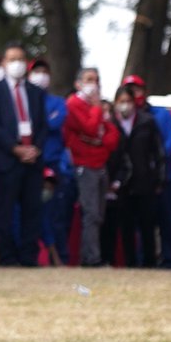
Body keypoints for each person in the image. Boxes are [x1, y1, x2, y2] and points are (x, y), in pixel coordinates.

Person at [0, 44, 48, 266]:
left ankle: (29, 258)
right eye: (12, 59)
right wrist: (15, 148)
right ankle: (7, 258)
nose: (17, 63)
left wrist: (35, 148)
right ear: (4, 63)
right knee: (5, 213)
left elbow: (42, 124)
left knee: (32, 211)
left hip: (33, 160)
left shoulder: (36, 91)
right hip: (7, 160)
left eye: (20, 58)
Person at [103, 85, 165, 267]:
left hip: (144, 180)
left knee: (147, 225)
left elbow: (158, 152)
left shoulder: (147, 122)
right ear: (115, 104)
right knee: (125, 226)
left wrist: (159, 178)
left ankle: (149, 262)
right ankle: (130, 262)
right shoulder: (110, 124)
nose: (125, 106)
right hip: (121, 184)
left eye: (128, 101)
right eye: (121, 102)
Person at [63, 67, 119, 267]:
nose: (93, 84)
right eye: (88, 79)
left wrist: (98, 139)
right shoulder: (74, 104)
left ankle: (91, 255)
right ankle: (91, 259)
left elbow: (112, 137)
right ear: (78, 83)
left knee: (99, 214)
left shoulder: (97, 107)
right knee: (91, 213)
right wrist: (96, 112)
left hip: (100, 164)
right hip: (85, 166)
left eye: (96, 79)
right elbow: (90, 127)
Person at [29, 58, 75, 266]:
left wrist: (39, 121)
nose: (40, 74)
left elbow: (53, 123)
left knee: (57, 216)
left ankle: (61, 259)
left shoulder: (58, 102)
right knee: (32, 214)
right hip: (30, 165)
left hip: (54, 166)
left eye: (44, 71)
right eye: (36, 71)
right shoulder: (25, 101)